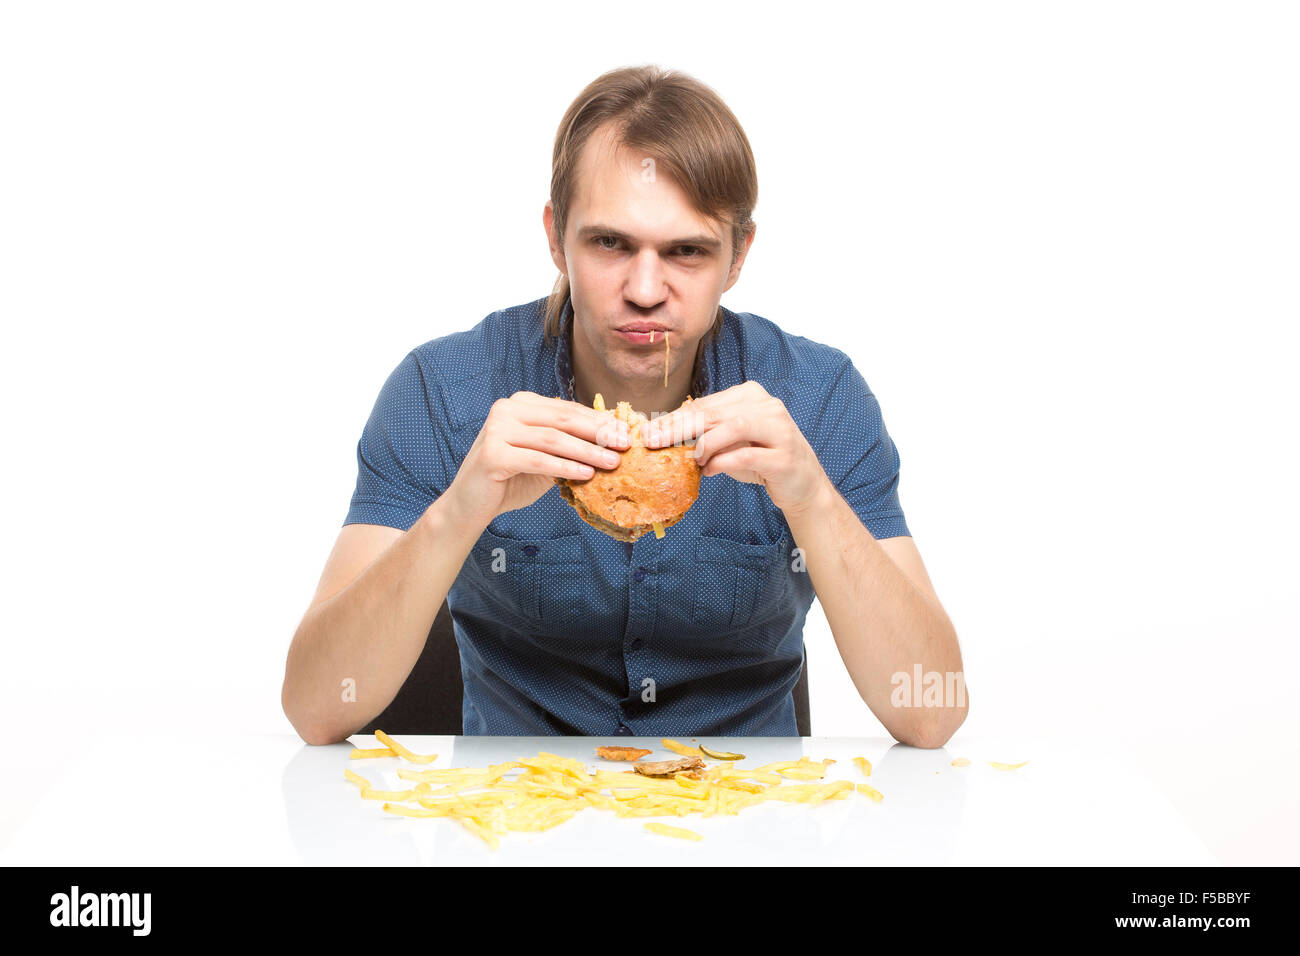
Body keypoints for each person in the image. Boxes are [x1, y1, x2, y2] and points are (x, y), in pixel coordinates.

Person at [282, 65, 967, 745]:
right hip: (519, 801)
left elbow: (931, 713)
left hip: (749, 804)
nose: (644, 290)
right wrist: (457, 515)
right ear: (556, 236)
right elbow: (316, 710)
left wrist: (813, 499)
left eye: (686, 251)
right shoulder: (442, 390)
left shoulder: (820, 397)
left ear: (738, 257)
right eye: (610, 243)